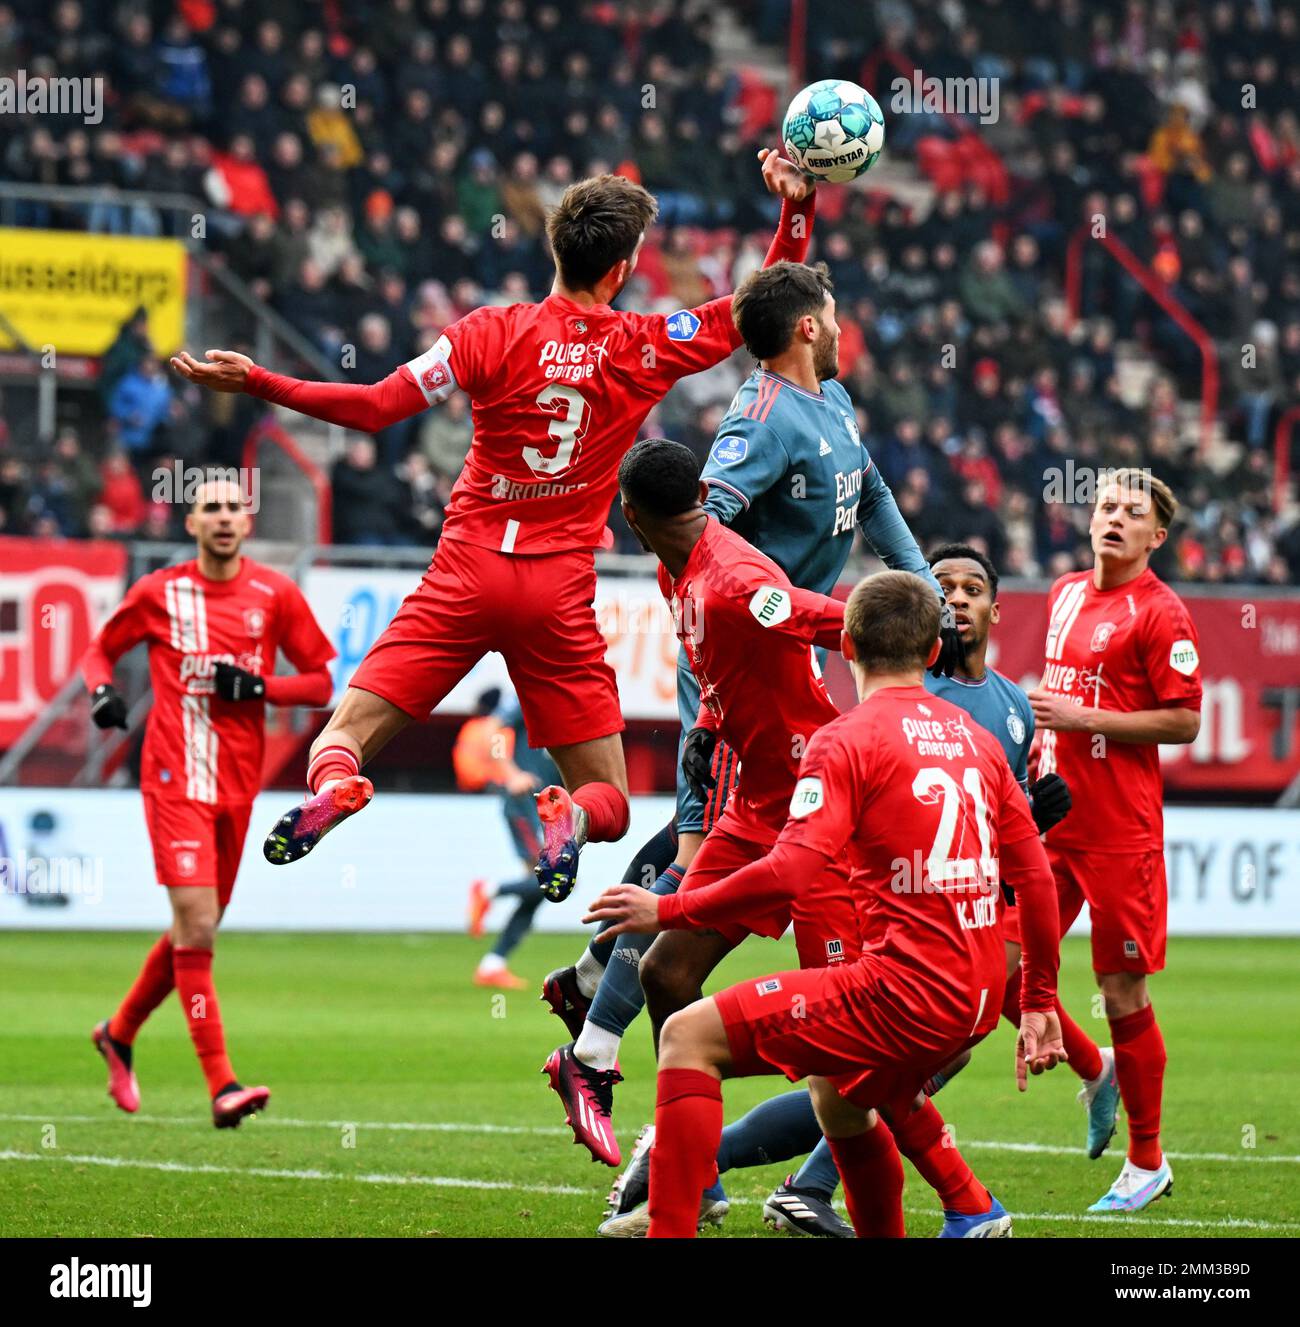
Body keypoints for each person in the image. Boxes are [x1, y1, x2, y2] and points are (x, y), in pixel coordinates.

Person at [170, 154, 817, 904]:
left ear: (555, 249)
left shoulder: (486, 332)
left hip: (467, 570)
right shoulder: (643, 344)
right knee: (607, 802)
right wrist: (794, 213)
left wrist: (258, 380)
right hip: (557, 588)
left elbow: (377, 406)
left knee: (339, 739)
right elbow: (761, 309)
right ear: (621, 270)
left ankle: (340, 787)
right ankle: (567, 817)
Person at [539, 262, 962, 1166]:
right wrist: (844, 613)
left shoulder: (833, 405)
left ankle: (600, 1032)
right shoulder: (754, 429)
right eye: (835, 311)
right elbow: (710, 521)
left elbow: (873, 496)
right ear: (811, 326)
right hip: (756, 689)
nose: (844, 325)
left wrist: (916, 592)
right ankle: (615, 1056)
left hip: (791, 709)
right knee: (748, 947)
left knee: (716, 936)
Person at [573, 442, 1010, 1240]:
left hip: (813, 799)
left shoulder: (734, 577)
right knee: (670, 971)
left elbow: (822, 616)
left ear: (629, 518)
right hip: (753, 796)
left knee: (846, 1061)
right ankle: (695, 1174)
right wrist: (710, 723)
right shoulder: (682, 571)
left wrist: (917, 637)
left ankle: (964, 1198)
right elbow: (725, 667)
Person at [82, 477, 335, 1127]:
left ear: (246, 524)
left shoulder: (274, 593)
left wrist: (258, 685)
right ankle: (223, 1084)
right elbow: (99, 649)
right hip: (173, 776)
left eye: (233, 507)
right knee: (197, 926)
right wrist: (101, 692)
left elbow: (319, 679)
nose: (223, 517)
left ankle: (119, 1030)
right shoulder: (159, 592)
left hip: (237, 783)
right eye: (211, 508)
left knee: (195, 929)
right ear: (191, 523)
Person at [1026, 469, 1201, 1212]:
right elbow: (1056, 705)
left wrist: (1083, 719)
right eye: (1105, 507)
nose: (1114, 519)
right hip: (1053, 821)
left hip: (1120, 832)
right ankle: (1094, 1069)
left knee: (1120, 988)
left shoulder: (1163, 613)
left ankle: (1146, 1161)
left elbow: (1184, 721)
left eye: (1133, 513)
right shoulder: (1065, 592)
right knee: (1001, 963)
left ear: (1156, 536)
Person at [455, 687, 561, 989]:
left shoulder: (571, 701)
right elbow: (492, 730)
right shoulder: (534, 695)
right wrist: (511, 773)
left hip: (547, 809)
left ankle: (493, 964)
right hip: (523, 803)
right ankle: (488, 891)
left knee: (544, 887)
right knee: (550, 880)